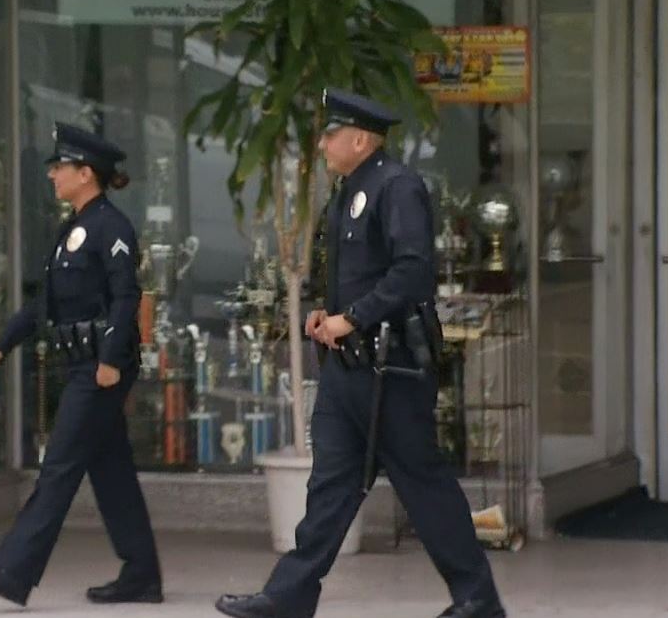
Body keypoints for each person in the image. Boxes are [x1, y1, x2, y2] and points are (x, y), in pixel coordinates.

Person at [215, 89, 506, 618]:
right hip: (350, 367)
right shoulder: (349, 190)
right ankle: (289, 596)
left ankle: (478, 598)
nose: (322, 144)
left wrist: (354, 317)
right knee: (330, 485)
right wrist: (326, 315)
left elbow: (411, 270)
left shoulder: (397, 187)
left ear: (359, 138)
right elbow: (351, 271)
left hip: (390, 367)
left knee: (423, 485)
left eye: (330, 134)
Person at [0, 122, 163, 608]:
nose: (53, 175)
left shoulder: (110, 228)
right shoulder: (71, 230)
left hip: (99, 367)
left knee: (58, 467)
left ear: (86, 173)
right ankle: (142, 575)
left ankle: (14, 570)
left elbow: (126, 296)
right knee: (111, 471)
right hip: (80, 364)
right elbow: (44, 306)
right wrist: (1, 344)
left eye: (61, 167)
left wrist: (112, 361)